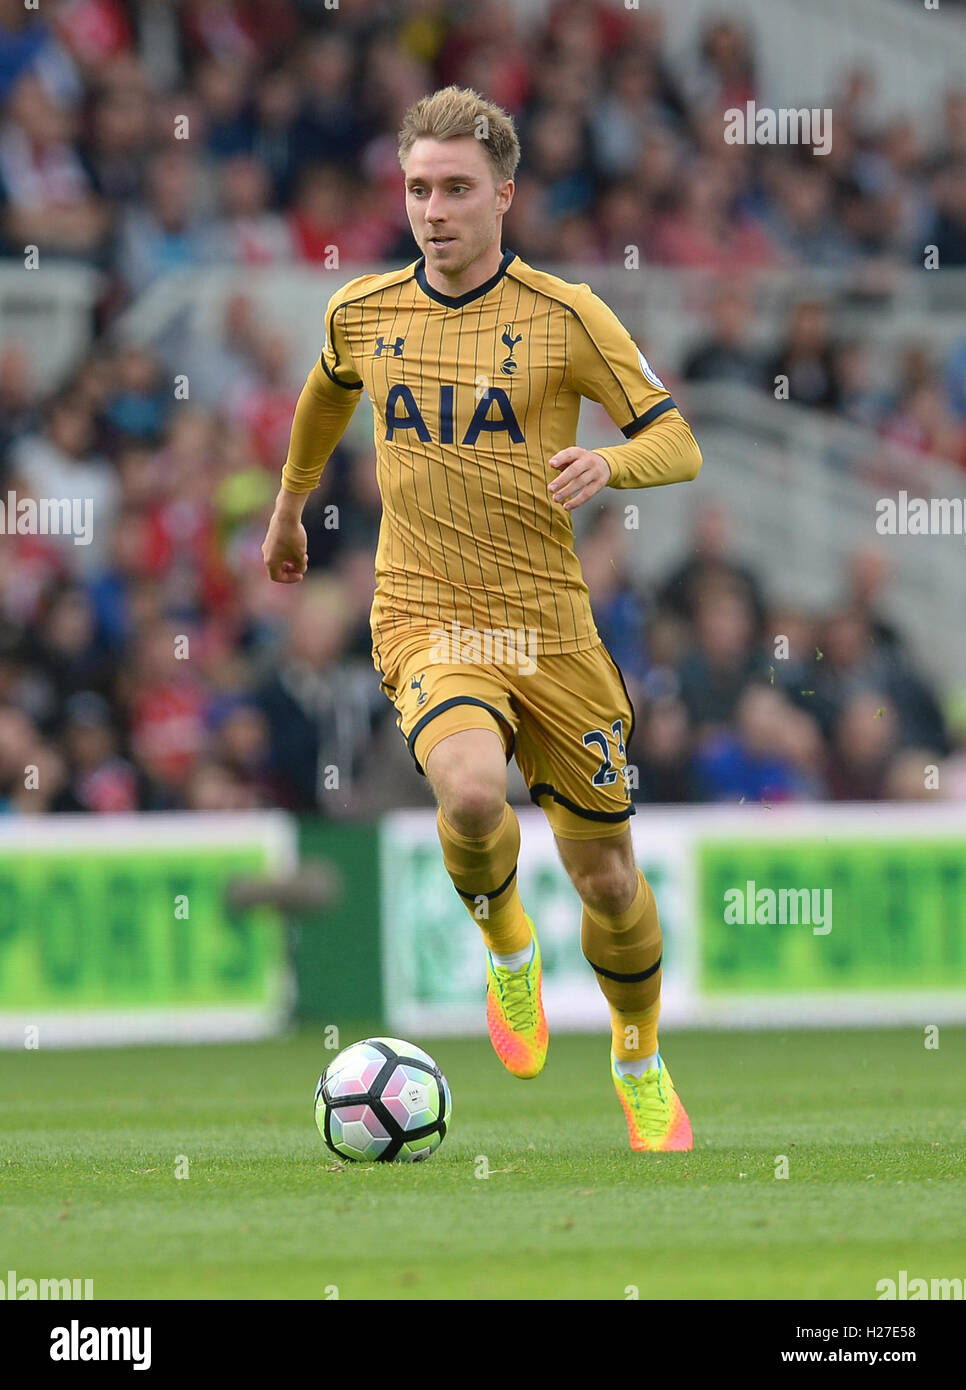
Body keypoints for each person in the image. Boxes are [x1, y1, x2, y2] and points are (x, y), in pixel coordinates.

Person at [261, 86, 703, 1153]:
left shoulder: (567, 314)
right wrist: (288, 503)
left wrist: (610, 459)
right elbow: (327, 391)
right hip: (427, 611)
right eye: (418, 189)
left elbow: (678, 438)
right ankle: (507, 944)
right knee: (467, 793)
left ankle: (637, 1054)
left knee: (608, 878)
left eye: (456, 188)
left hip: (549, 624)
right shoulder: (362, 311)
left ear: (503, 194)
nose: (433, 210)